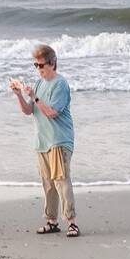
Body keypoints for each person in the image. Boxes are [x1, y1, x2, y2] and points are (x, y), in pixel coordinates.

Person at [10, 45, 79, 237]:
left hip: (59, 140)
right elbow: (28, 111)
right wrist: (19, 96)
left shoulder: (60, 84)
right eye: (36, 65)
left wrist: (34, 96)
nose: (39, 69)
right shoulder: (39, 84)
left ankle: (72, 222)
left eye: (41, 65)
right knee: (48, 183)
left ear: (52, 63)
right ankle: (52, 221)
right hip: (42, 141)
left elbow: (52, 112)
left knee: (61, 181)